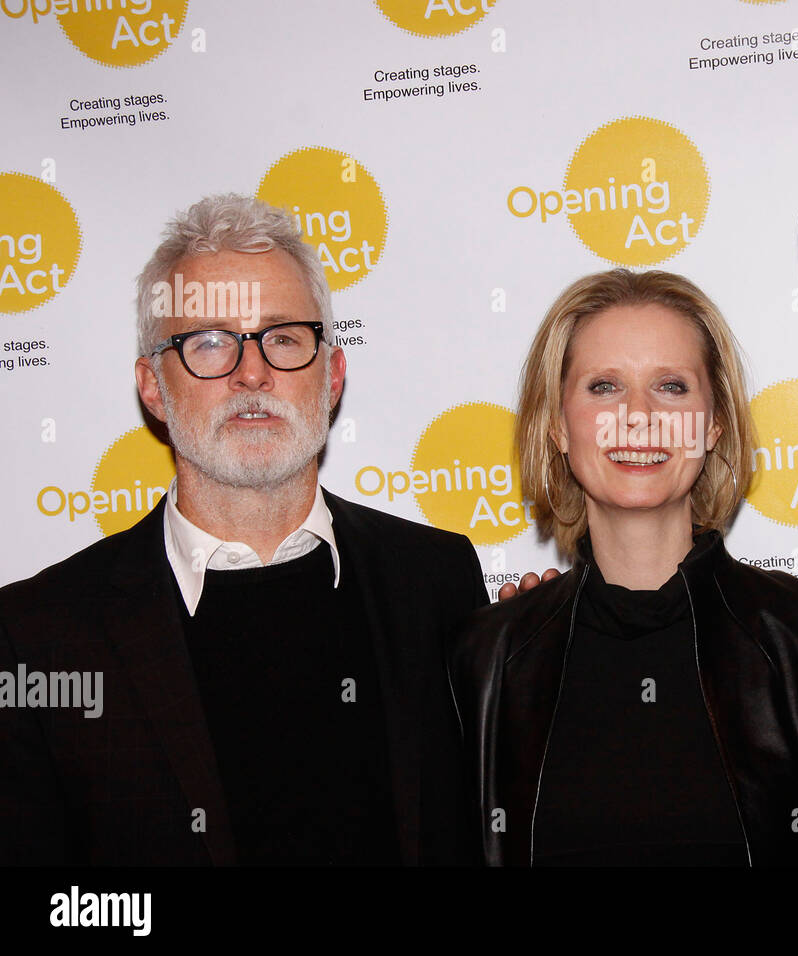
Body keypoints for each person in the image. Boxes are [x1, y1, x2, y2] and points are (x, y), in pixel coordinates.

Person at [0, 194, 486, 865]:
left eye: (284, 338)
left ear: (333, 374)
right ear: (152, 387)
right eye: (209, 342)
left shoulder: (435, 580)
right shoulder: (38, 634)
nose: (251, 372)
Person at [449, 269, 798, 866]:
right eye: (603, 387)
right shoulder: (486, 658)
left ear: (715, 421)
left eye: (672, 386)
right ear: (556, 425)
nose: (638, 415)